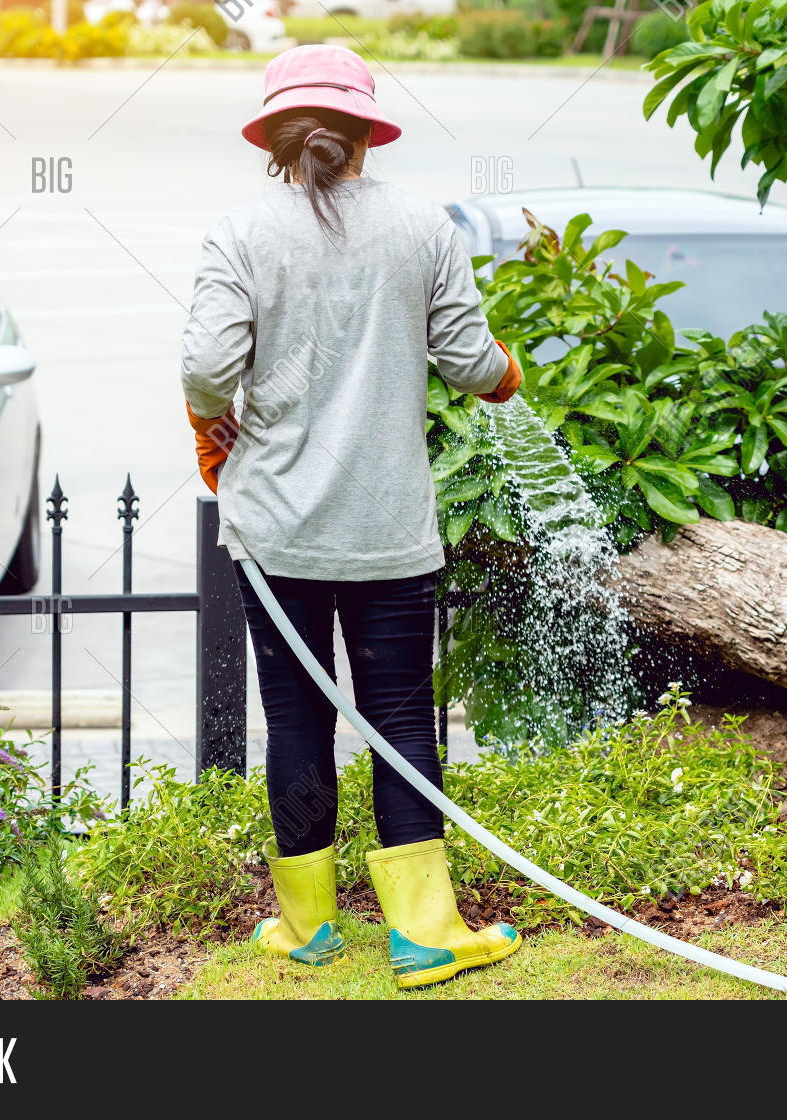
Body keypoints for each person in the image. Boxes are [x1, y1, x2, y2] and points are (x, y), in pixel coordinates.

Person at [179, 44, 522, 989]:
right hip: (388, 532)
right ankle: (422, 934)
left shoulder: (241, 232)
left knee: (293, 720)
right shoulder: (424, 226)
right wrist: (508, 374)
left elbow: (206, 371)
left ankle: (308, 930)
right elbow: (471, 364)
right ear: (369, 134)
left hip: (276, 532)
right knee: (403, 719)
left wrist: (217, 432)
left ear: (276, 139)